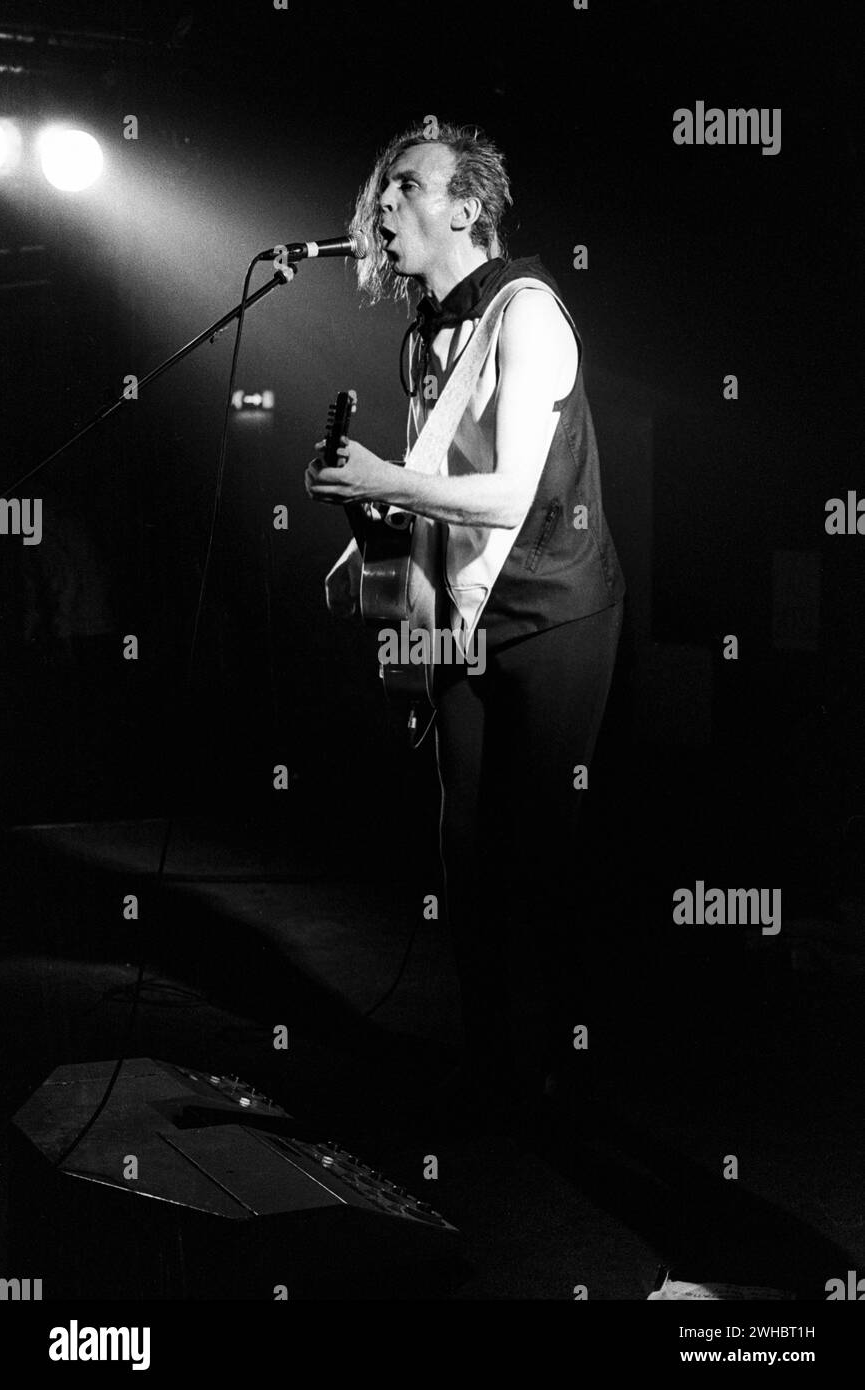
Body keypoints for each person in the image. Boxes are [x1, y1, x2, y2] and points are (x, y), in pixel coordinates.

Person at [306, 121, 625, 1127]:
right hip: (462, 622)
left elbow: (506, 497)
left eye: (405, 186)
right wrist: (366, 539)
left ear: (467, 208)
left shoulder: (527, 313)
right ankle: (493, 1064)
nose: (382, 208)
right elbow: (434, 490)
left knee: (542, 851)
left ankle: (576, 1073)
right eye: (381, 190)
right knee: (464, 850)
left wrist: (383, 477)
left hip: (550, 609)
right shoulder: (425, 334)